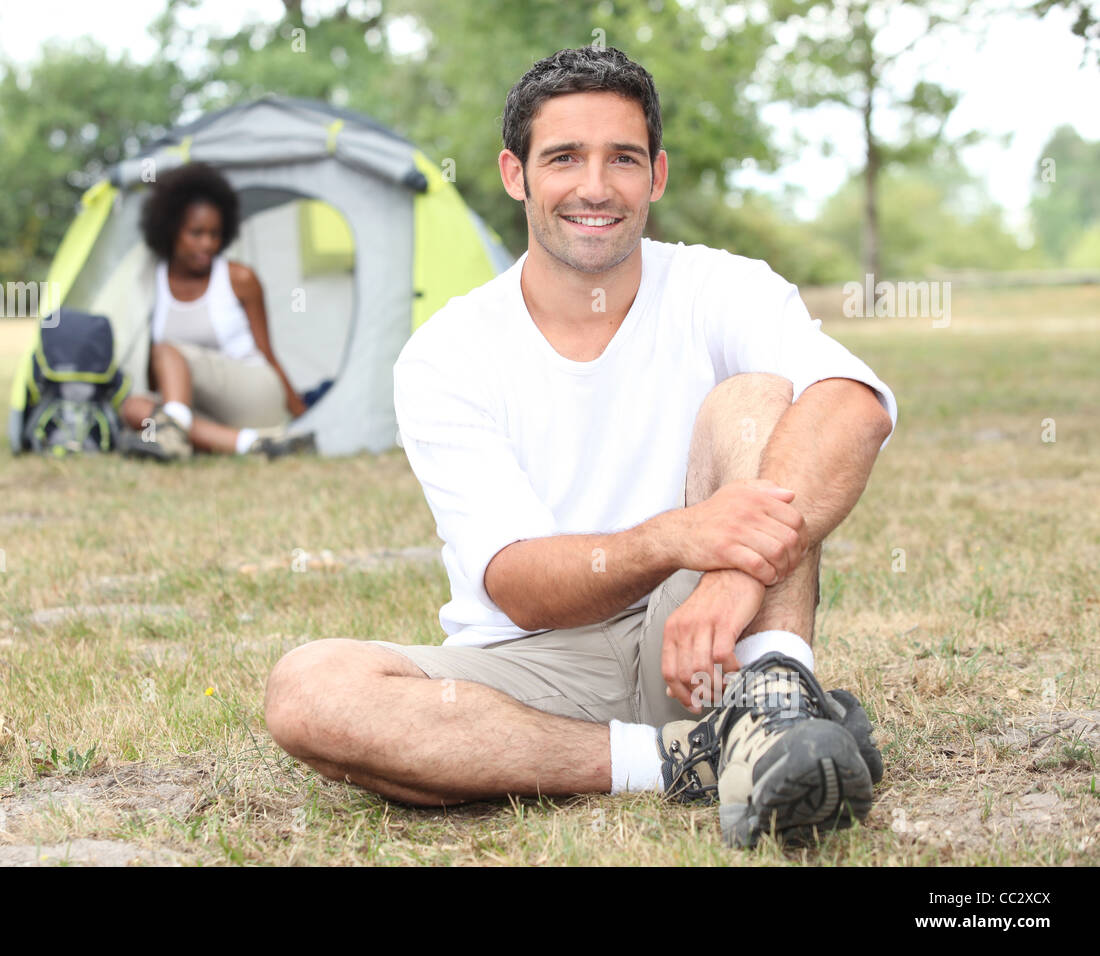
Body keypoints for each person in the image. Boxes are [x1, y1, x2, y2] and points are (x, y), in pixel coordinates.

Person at [263, 47, 896, 848]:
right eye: (564, 157)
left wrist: (728, 578)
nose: (595, 187)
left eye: (622, 159)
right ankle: (689, 760)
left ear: (657, 176)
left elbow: (856, 406)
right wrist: (677, 535)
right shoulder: (446, 351)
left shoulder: (719, 286)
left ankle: (772, 703)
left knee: (761, 402)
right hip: (530, 669)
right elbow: (521, 584)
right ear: (514, 172)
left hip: (704, 640)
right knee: (309, 689)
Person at [119, 162, 314, 460]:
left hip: (253, 394)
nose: (208, 244)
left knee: (166, 352)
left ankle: (175, 435)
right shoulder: (151, 281)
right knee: (134, 408)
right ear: (171, 230)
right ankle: (253, 444)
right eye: (196, 233)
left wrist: (302, 412)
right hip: (197, 406)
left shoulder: (239, 279)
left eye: (215, 234)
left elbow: (267, 352)